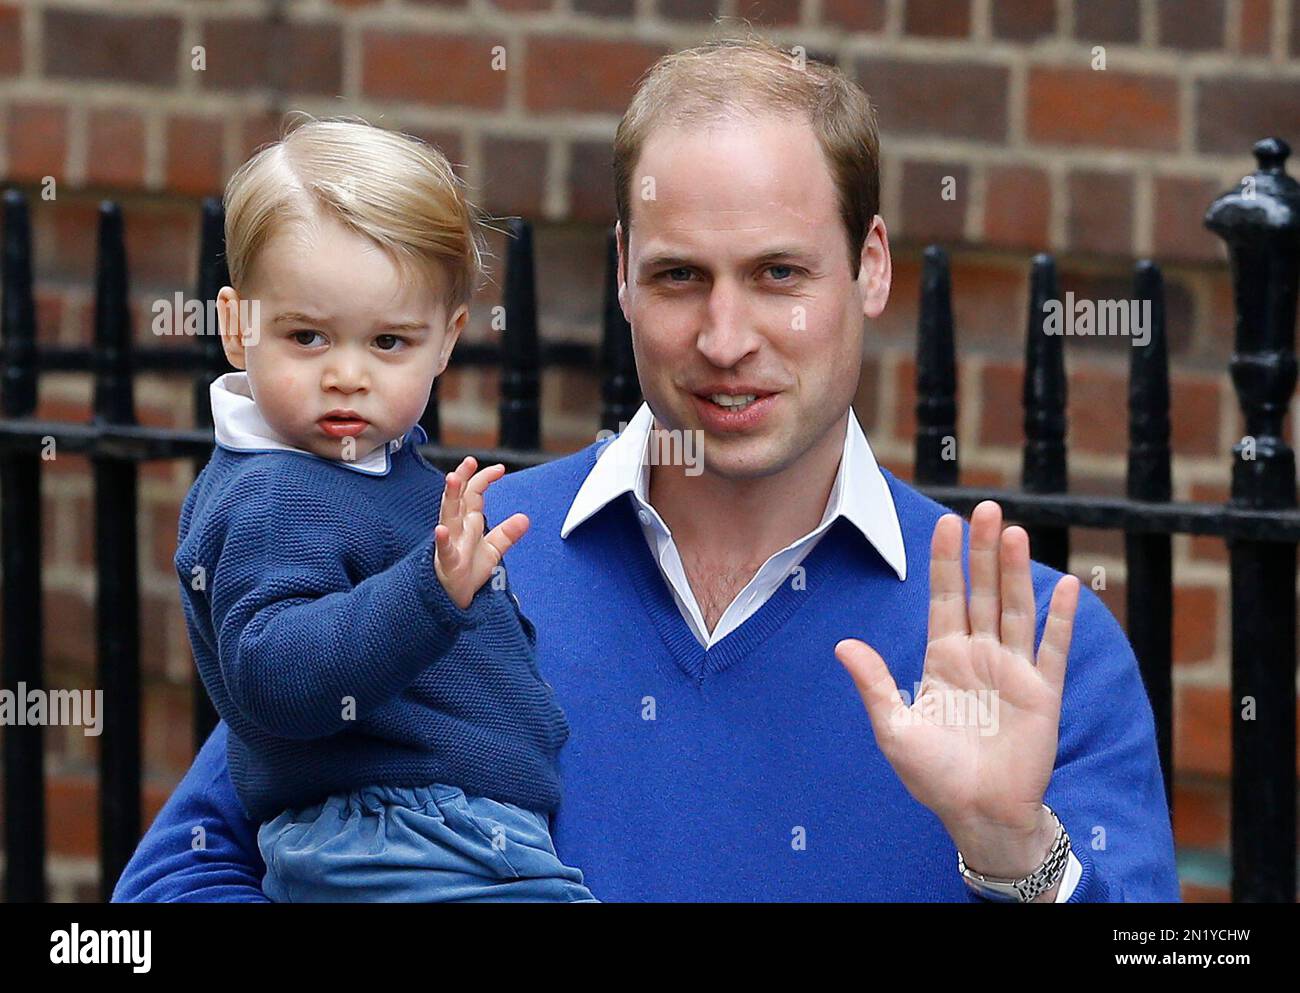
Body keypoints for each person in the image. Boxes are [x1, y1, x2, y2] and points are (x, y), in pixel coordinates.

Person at [114, 37, 1179, 903]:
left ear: (870, 269)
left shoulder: (1036, 648)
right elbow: (172, 890)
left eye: (777, 274)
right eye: (679, 276)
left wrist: (1012, 852)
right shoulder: (453, 553)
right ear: (621, 273)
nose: (725, 337)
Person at [169, 116, 593, 902]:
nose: (347, 375)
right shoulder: (271, 493)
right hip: (393, 834)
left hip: (449, 833)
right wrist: (430, 592)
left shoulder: (374, 471)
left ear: (447, 340)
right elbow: (276, 674)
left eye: (389, 342)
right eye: (307, 336)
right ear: (236, 326)